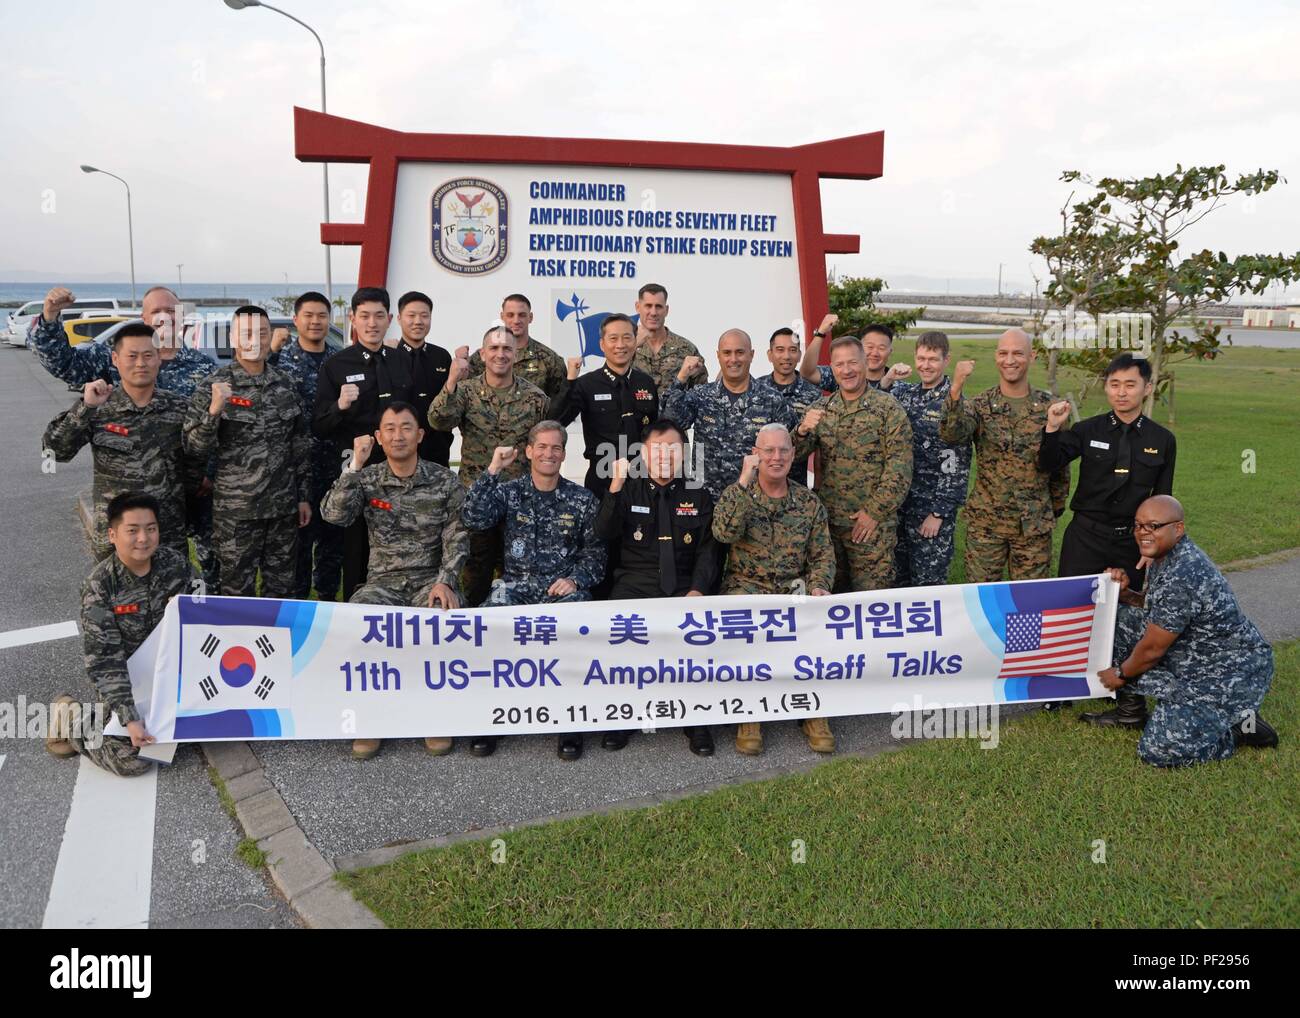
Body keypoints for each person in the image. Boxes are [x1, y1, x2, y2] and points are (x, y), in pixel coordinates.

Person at [30, 285, 219, 588]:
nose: (141, 363)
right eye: (155, 311)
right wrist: (51, 316)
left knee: (193, 583)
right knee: (118, 597)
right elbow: (62, 362)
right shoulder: (110, 369)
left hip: (183, 503)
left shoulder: (203, 368)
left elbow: (213, 428)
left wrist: (207, 474)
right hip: (123, 519)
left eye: (170, 311)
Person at [321, 403, 469, 760]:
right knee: (358, 622)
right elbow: (334, 515)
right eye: (389, 428)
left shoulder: (444, 480)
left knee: (439, 623)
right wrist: (354, 465)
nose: (397, 435)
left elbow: (458, 536)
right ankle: (372, 720)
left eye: (405, 428)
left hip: (429, 581)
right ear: (378, 438)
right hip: (383, 583)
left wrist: (446, 580)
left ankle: (434, 718)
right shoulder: (367, 478)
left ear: (420, 436)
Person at [461, 423, 607, 760]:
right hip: (516, 589)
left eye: (556, 448)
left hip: (561, 591)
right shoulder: (510, 492)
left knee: (577, 628)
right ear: (528, 451)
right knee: (484, 627)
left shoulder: (582, 500)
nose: (548, 454)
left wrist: (576, 580)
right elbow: (473, 516)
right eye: (541, 447)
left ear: (563, 454)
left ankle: (570, 722)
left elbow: (596, 555)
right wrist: (494, 468)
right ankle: (490, 720)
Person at [1096, 495, 1277, 764]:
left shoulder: (1184, 572)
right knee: (1119, 619)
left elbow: (1152, 649)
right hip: (1191, 652)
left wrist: (1120, 673)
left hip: (1226, 670)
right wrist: (1126, 595)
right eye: (1138, 525)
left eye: (1153, 526)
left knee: (1159, 750)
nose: (1143, 533)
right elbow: (1162, 610)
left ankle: (1238, 727)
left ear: (1177, 528)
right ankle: (1130, 712)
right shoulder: (1164, 555)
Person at [593, 418, 722, 756]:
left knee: (694, 646)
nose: (665, 456)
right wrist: (616, 484)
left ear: (684, 454)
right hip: (634, 584)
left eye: (673, 449)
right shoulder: (627, 488)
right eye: (657, 449)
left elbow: (709, 550)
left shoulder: (698, 492)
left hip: (682, 585)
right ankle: (624, 716)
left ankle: (696, 720)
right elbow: (603, 533)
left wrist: (698, 589)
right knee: (623, 644)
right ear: (643, 453)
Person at [46, 493, 193, 775]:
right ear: (113, 534)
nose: (144, 538)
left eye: (151, 529)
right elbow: (104, 661)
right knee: (132, 760)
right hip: (126, 682)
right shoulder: (99, 587)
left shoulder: (177, 566)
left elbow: (204, 614)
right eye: (133, 530)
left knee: (197, 736)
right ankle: (72, 719)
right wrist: (129, 717)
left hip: (173, 678)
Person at [712, 423, 836, 756]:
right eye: (768, 450)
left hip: (792, 589)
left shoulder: (808, 504)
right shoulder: (738, 494)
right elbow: (723, 533)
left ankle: (812, 711)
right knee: (742, 628)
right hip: (747, 588)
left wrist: (820, 586)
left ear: (794, 455)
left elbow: (823, 555)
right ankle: (750, 714)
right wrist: (742, 481)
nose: (776, 457)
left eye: (783, 450)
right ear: (756, 454)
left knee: (814, 627)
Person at [42, 322, 200, 560]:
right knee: (118, 597)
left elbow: (195, 464)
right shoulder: (98, 408)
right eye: (132, 356)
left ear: (159, 358)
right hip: (116, 538)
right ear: (115, 359)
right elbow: (55, 451)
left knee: (171, 596)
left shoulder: (180, 408)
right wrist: (85, 409)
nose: (140, 363)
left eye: (148, 355)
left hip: (167, 534)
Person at [184, 306, 311, 597]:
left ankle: (277, 643)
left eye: (262, 333)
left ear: (270, 338)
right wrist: (214, 410)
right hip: (236, 514)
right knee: (236, 593)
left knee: (281, 592)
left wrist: (303, 497)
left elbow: (300, 445)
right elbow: (193, 447)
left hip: (282, 510)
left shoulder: (285, 384)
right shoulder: (214, 386)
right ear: (233, 338)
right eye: (247, 334)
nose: (255, 340)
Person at [427, 326, 551, 606]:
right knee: (476, 574)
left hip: (518, 500)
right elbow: (438, 420)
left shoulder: (536, 398)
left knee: (518, 574)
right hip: (477, 497)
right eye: (493, 348)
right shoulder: (465, 392)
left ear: (516, 353)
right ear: (482, 354)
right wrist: (451, 381)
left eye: (507, 348)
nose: (500, 354)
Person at [938, 329, 1069, 582]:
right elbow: (951, 435)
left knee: (1029, 605)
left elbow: (1060, 470)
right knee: (982, 602)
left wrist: (1050, 509)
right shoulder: (980, 404)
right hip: (987, 526)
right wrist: (956, 387)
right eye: (1003, 353)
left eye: (1018, 353)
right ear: (996, 357)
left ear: (1031, 357)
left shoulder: (1050, 407)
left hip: (1032, 526)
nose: (1010, 360)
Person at [313, 287, 414, 599]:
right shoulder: (336, 365)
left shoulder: (401, 361)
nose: (372, 323)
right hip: (357, 469)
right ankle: (354, 612)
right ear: (352, 319)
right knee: (355, 546)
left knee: (399, 542)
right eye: (365, 316)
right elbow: (319, 426)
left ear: (390, 320)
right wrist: (339, 407)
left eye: (379, 316)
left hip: (396, 471)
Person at [794, 334, 913, 592]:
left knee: (872, 603)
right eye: (839, 365)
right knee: (829, 600)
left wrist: (873, 513)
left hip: (871, 529)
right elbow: (794, 455)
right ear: (832, 368)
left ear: (864, 363)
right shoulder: (822, 408)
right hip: (829, 526)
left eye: (852, 363)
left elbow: (899, 469)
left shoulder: (887, 409)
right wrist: (802, 430)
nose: (847, 370)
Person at [878, 330, 972, 586]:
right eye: (921, 358)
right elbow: (874, 402)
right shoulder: (905, 394)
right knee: (897, 580)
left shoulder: (954, 403)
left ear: (946, 360)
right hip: (901, 506)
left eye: (932, 359)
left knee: (927, 583)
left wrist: (939, 513)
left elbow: (958, 464)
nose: (925, 365)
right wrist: (887, 378)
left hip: (930, 510)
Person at [268, 291, 346, 600]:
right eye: (309, 316)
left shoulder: (340, 360)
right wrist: (270, 350)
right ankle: (298, 610)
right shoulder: (279, 360)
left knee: (332, 547)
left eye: (322, 316)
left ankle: (328, 608)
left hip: (333, 468)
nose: (316, 322)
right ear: (296, 320)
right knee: (295, 550)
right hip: (293, 470)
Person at [662, 328, 798, 502]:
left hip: (752, 502)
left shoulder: (772, 399)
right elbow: (670, 422)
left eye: (740, 352)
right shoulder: (702, 395)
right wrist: (681, 378)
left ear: (751, 355)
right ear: (718, 356)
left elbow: (790, 450)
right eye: (727, 353)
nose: (733, 359)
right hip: (704, 500)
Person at [558, 313, 658, 497]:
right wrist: (570, 380)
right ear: (602, 345)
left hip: (640, 478)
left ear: (635, 341)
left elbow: (654, 429)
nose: (620, 345)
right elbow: (559, 420)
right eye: (613, 339)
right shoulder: (586, 384)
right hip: (601, 477)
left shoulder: (646, 383)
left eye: (627, 338)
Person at [391, 290, 454, 466]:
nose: (418, 321)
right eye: (411, 315)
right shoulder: (389, 357)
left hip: (437, 450)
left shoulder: (441, 356)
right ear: (399, 319)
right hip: (399, 451)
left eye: (424, 316)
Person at [754, 326, 823, 486]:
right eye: (780, 350)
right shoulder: (755, 389)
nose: (786, 356)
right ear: (770, 355)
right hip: (757, 485)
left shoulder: (813, 395)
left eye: (792, 350)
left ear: (799, 355)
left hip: (795, 487)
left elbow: (819, 446)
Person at [467, 294, 568, 399]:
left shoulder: (549, 359)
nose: (516, 321)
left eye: (522, 315)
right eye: (510, 315)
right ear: (502, 317)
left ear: (530, 317)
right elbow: (464, 397)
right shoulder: (483, 357)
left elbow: (560, 405)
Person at [630, 283, 708, 403]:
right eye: (648, 306)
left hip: (673, 420)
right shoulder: (625, 348)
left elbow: (702, 395)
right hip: (634, 420)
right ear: (638, 307)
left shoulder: (686, 349)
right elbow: (610, 381)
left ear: (666, 310)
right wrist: (632, 345)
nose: (653, 312)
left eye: (658, 306)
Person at [801, 318, 900, 393]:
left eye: (881, 348)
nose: (874, 353)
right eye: (870, 347)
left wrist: (886, 382)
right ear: (859, 348)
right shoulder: (845, 374)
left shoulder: (899, 387)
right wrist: (821, 333)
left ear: (890, 352)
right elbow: (807, 373)